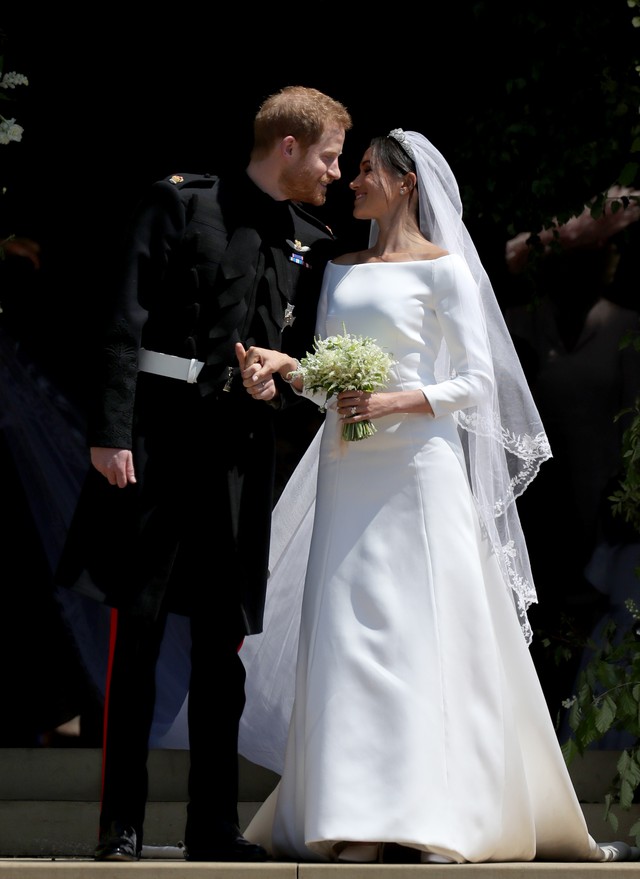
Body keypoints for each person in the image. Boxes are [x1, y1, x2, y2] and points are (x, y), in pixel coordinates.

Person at [233, 130, 639, 863]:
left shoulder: (446, 271)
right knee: (349, 635)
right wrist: (290, 368)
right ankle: (350, 813)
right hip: (347, 467)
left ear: (405, 182)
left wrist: (394, 401)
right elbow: (331, 378)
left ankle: (433, 812)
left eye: (364, 171)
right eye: (351, 169)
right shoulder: (337, 271)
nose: (352, 180)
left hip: (419, 469)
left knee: (422, 631)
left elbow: (477, 384)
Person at [54, 85, 353, 862]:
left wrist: (273, 386)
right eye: (327, 156)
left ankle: (211, 826)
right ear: (287, 145)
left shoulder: (303, 236)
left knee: (224, 647)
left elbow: (287, 352)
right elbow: (122, 318)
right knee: (141, 638)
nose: (336, 173)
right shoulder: (181, 204)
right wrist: (111, 431)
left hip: (237, 460)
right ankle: (120, 822)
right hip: (155, 448)